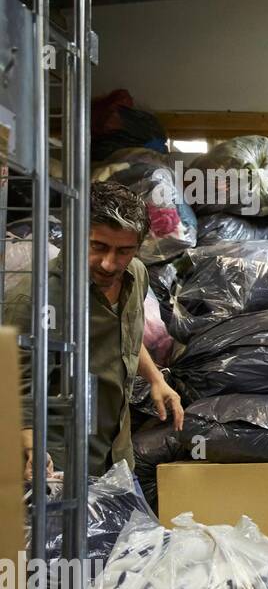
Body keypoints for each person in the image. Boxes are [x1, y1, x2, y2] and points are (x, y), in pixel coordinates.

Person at [6, 181, 183, 480]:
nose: (108, 263)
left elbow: (125, 333)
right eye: (98, 246)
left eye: (124, 251)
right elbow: (14, 389)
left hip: (116, 450)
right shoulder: (37, 298)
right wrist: (31, 447)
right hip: (59, 463)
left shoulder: (135, 274)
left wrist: (155, 379)